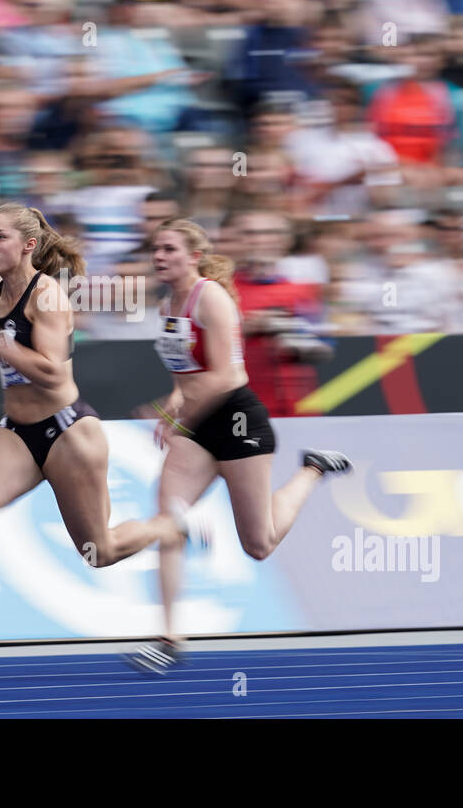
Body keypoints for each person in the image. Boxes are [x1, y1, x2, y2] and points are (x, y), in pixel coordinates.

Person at [0, 204, 186, 654]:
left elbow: (52, 372)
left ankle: (169, 527)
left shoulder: (46, 295)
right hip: (17, 433)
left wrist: (1, 346)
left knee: (99, 552)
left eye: (0, 237)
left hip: (68, 433)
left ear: (28, 245)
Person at [126, 218, 352, 675]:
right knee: (168, 520)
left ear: (193, 256)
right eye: (156, 248)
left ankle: (311, 469)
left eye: (169, 248)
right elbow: (185, 371)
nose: (159, 255)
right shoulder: (167, 302)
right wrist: (174, 404)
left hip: (236, 420)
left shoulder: (210, 297)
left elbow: (230, 376)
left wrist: (176, 416)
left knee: (260, 543)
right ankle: (168, 635)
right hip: (196, 428)